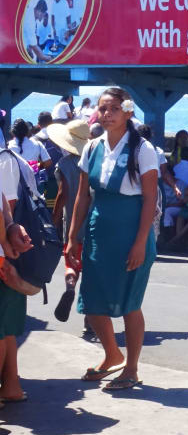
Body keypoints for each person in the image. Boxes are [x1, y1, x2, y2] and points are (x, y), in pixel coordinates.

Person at [65, 87, 159, 392]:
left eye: (113, 109)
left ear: (128, 112)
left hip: (131, 231)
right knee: (92, 299)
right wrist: (71, 237)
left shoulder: (142, 149)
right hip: (98, 230)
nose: (106, 115)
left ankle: (131, 368)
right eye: (103, 109)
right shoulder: (91, 148)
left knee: (130, 302)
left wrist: (140, 242)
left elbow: (149, 201)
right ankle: (111, 355)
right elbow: (81, 197)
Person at [0, 111, 35, 407]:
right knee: (4, 326)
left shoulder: (5, 159)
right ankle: (10, 384)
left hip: (5, 254)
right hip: (6, 252)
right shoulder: (9, 158)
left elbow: (4, 209)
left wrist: (6, 241)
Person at [49, 119, 92, 321]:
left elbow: (62, 194)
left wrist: (54, 219)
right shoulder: (94, 162)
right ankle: (89, 320)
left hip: (72, 223)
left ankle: (70, 287)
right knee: (91, 271)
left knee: (71, 264)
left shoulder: (64, 164)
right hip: (92, 223)